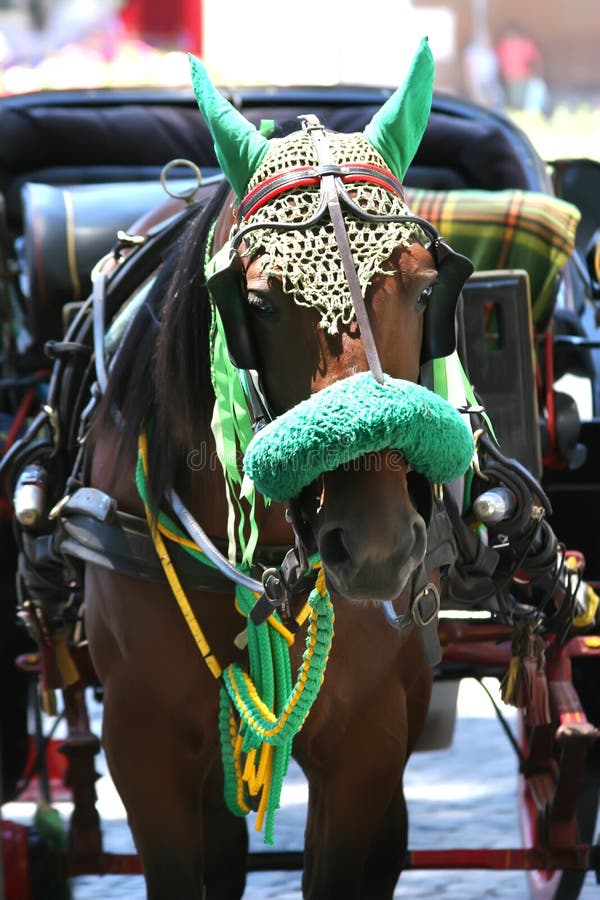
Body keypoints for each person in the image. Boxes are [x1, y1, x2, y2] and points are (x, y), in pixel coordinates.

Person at [496, 25, 549, 113]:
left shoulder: (524, 44)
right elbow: (499, 61)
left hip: (521, 77)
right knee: (511, 102)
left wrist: (536, 74)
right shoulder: (504, 44)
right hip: (508, 78)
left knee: (520, 102)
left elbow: (535, 60)